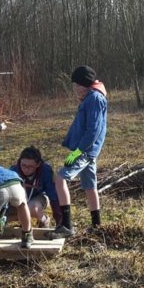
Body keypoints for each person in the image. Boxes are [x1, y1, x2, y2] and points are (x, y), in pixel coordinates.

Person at [52, 66, 108, 237]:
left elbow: (93, 131)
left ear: (84, 84)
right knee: (90, 186)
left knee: (60, 178)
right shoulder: (90, 97)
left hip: (84, 151)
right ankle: (97, 226)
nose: (75, 89)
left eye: (77, 85)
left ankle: (67, 226)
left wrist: (77, 152)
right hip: (87, 150)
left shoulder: (94, 99)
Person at [9, 145, 61, 227]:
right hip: (20, 199)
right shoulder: (13, 171)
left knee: (32, 208)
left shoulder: (46, 171)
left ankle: (44, 220)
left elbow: (53, 195)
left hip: (39, 197)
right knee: (9, 214)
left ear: (38, 164)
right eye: (23, 165)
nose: (26, 169)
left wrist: (59, 219)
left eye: (30, 166)